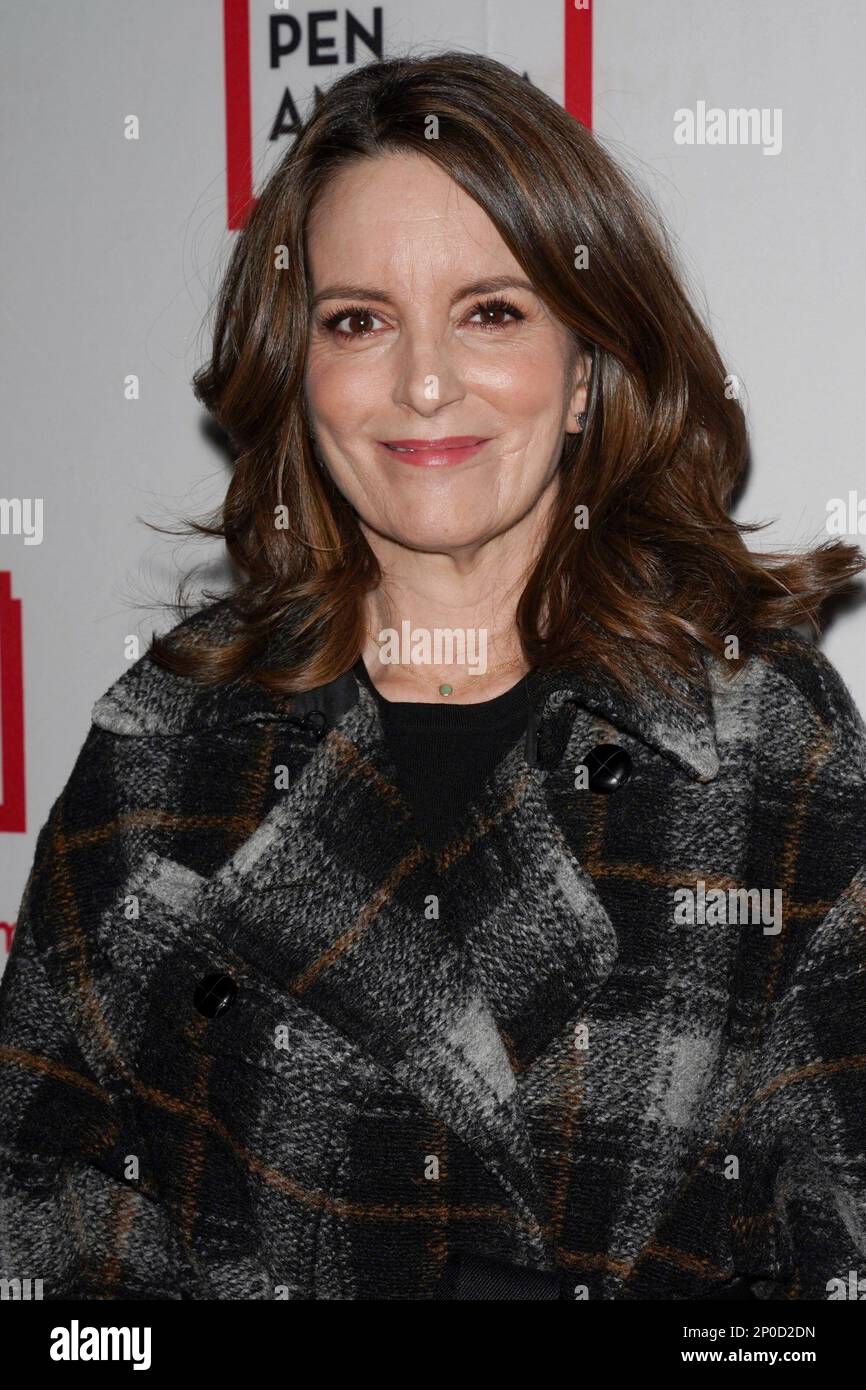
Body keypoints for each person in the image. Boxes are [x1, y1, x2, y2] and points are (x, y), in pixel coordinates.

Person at [2, 50, 865, 1302]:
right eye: (357, 320)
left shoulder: (757, 739)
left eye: (490, 311)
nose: (420, 383)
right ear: (297, 370)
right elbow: (32, 1216)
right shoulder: (166, 740)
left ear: (585, 366)